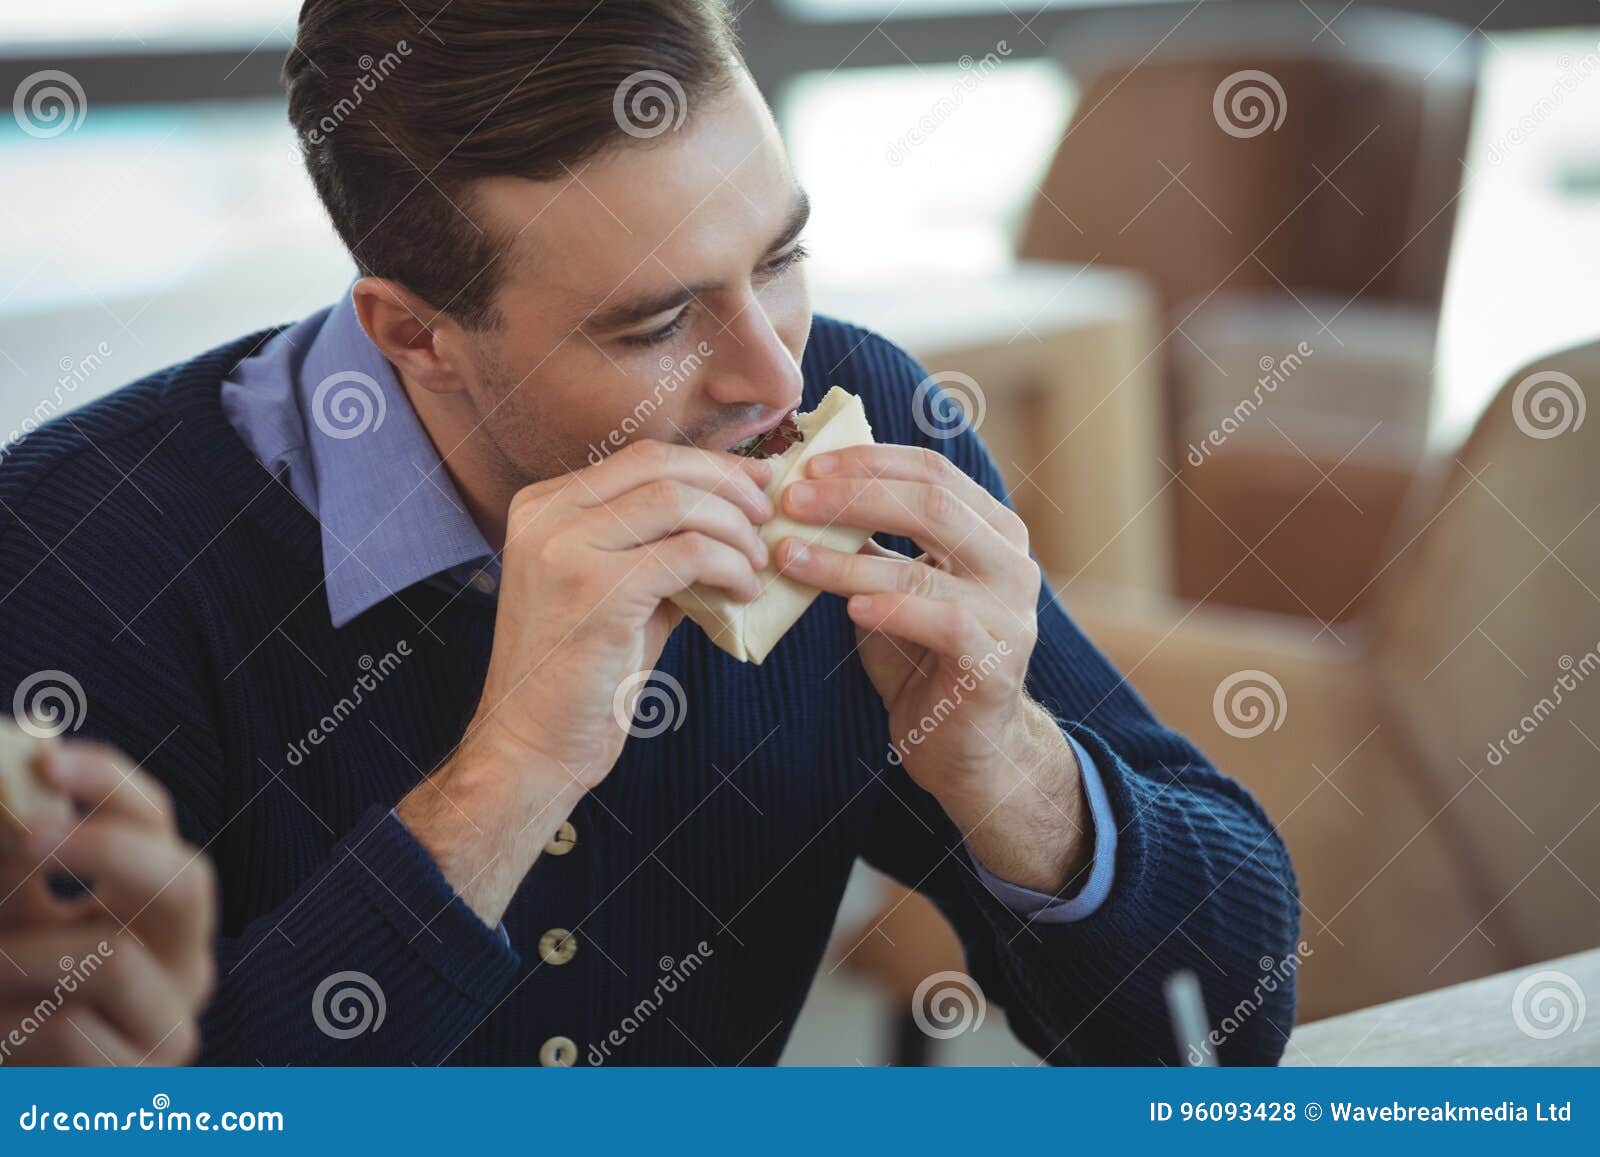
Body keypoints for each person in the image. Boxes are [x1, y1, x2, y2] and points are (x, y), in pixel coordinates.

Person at [0, 0, 1297, 1065]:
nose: (774, 381)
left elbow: (1224, 1028)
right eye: (655, 326)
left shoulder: (876, 408)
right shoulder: (66, 563)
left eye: (780, 260)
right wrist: (504, 781)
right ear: (413, 333)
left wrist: (1005, 757)